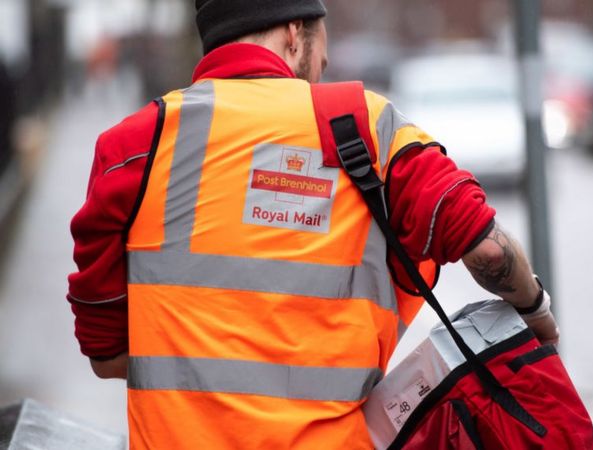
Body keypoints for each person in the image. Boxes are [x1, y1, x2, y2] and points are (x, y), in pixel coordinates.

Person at [67, 1, 559, 448]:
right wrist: (536, 312)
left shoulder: (134, 147)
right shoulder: (364, 126)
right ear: (294, 33)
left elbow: (107, 356)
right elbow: (489, 252)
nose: (322, 66)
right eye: (322, 45)